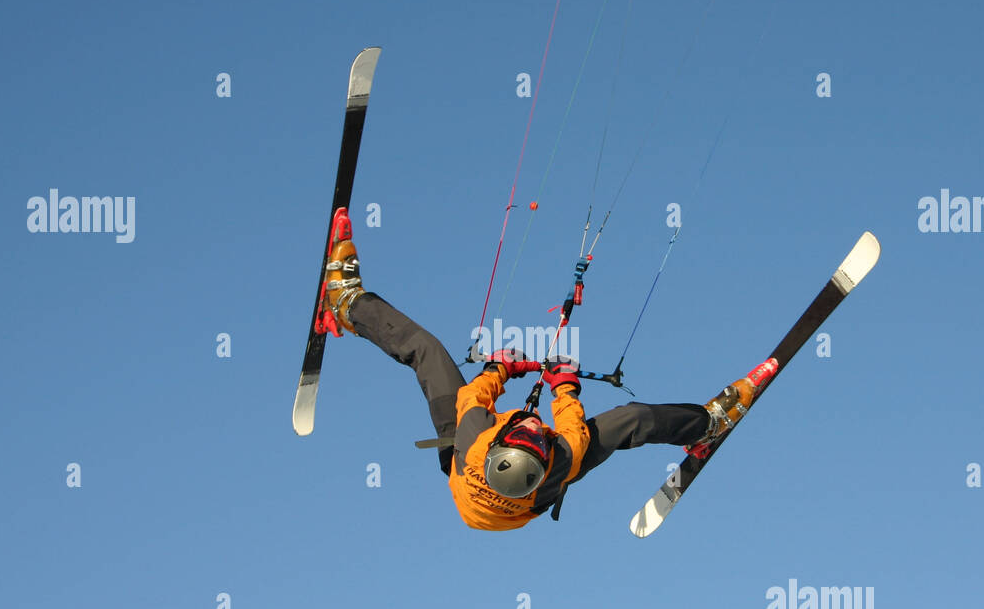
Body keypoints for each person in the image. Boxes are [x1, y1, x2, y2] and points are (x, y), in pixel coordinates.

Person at [320, 209, 769, 531]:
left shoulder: (474, 432)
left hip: (465, 473)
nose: (537, 422)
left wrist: (501, 366)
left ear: (503, 434)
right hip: (528, 492)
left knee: (427, 354)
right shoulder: (562, 458)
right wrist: (564, 387)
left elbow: (474, 396)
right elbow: (570, 426)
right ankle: (707, 424)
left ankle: (348, 304)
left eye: (530, 427)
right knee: (627, 420)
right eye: (540, 432)